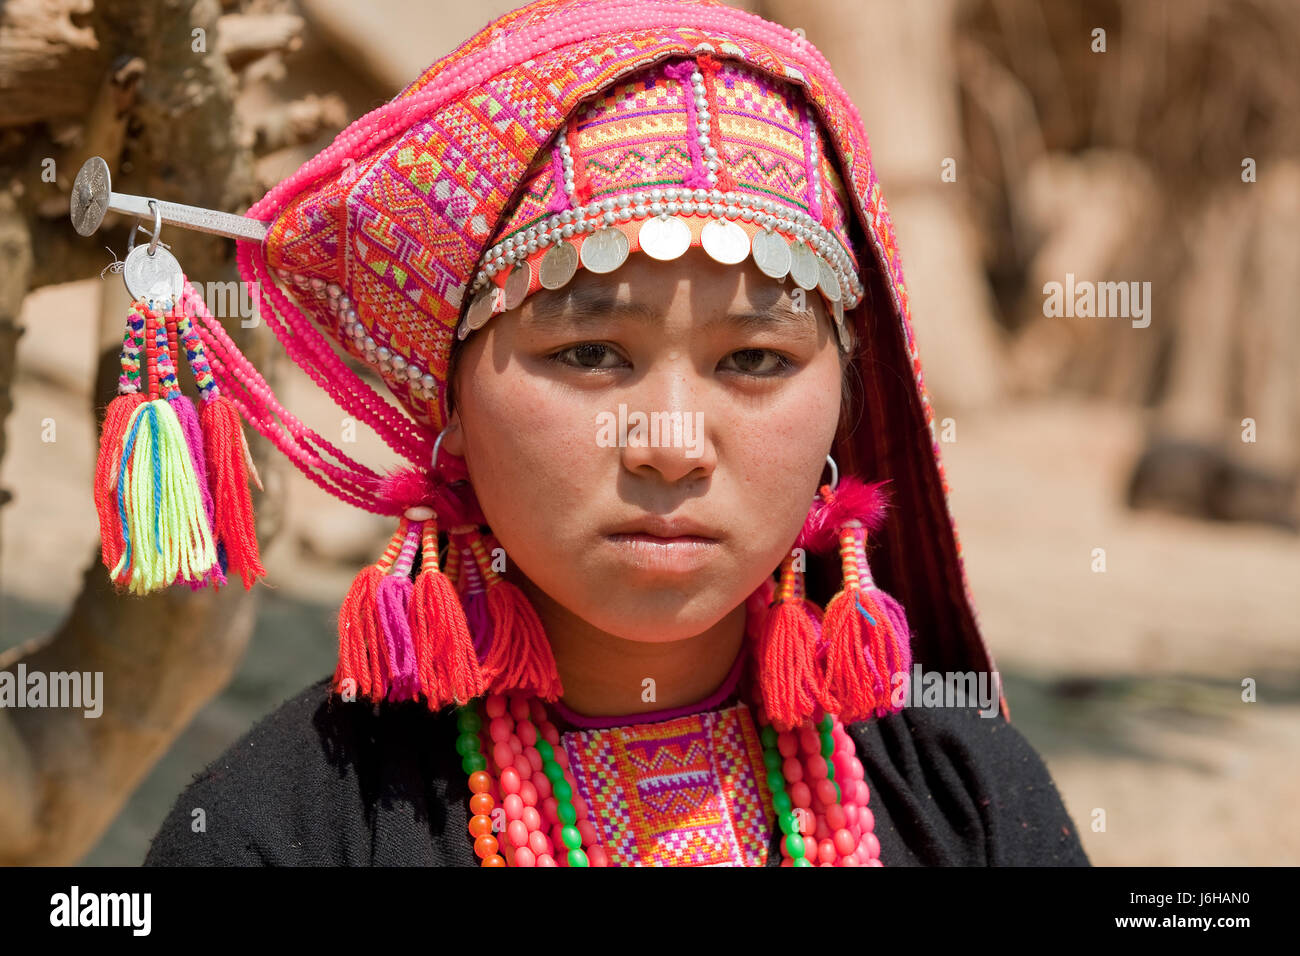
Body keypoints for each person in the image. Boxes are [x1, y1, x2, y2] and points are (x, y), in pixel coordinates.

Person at [140, 0, 1089, 866]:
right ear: (452, 407)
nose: (672, 443)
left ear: (844, 410)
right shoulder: (284, 830)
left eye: (755, 359)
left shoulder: (974, 800)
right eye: (592, 354)